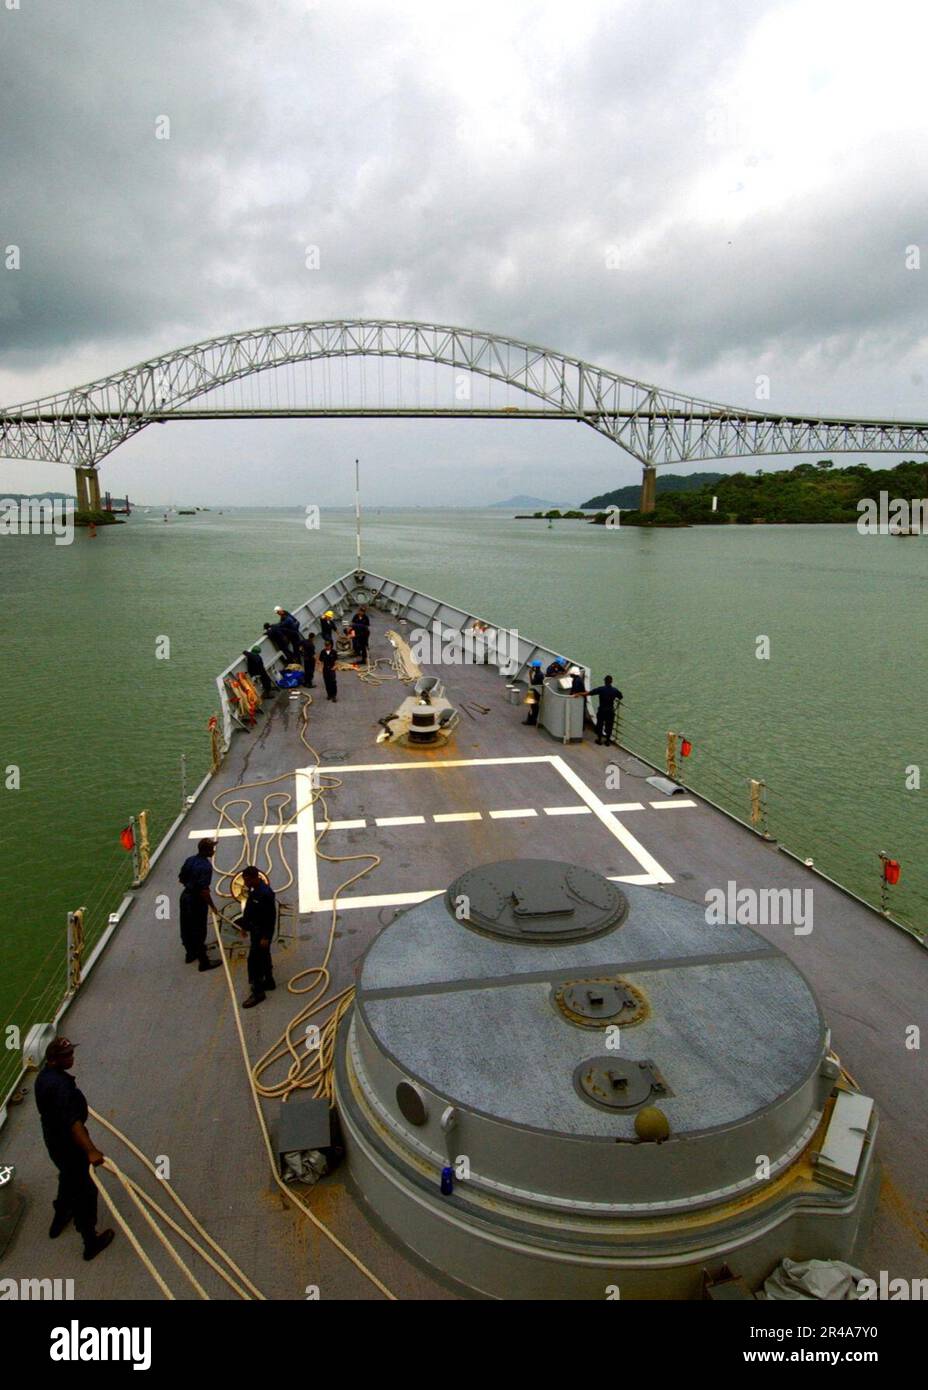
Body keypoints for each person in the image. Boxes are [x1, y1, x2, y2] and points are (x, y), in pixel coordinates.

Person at [34, 1037, 114, 1262]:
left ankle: (60, 1216)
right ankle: (90, 1241)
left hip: (54, 1141)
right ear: (53, 1059)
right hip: (70, 1144)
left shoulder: (44, 1078)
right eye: (66, 1055)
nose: (71, 1057)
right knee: (85, 1191)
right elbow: (73, 1123)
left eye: (71, 1053)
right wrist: (91, 1150)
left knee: (67, 1177)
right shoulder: (60, 1086)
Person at [178, 838, 222, 971]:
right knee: (199, 930)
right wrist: (212, 906)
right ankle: (204, 962)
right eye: (212, 849)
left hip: (185, 897)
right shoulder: (206, 867)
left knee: (186, 926)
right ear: (207, 850)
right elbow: (204, 891)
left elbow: (181, 879)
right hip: (196, 901)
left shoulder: (190, 860)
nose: (214, 850)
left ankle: (190, 954)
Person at [237, 867, 277, 1009]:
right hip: (255, 929)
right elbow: (250, 911)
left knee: (254, 961)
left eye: (247, 880)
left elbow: (270, 917)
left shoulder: (265, 894)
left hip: (261, 932)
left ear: (254, 878)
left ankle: (258, 992)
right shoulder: (254, 891)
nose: (245, 882)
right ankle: (269, 981)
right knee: (264, 956)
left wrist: (266, 937)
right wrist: (244, 926)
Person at [573, 674, 623, 746]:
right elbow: (620, 696)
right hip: (610, 711)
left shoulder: (601, 689)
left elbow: (588, 693)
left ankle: (599, 740)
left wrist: (579, 693)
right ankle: (607, 741)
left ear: (605, 681)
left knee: (600, 724)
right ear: (611, 682)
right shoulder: (615, 690)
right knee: (609, 726)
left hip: (602, 710)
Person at [523, 660, 544, 725]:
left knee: (533, 706)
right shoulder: (540, 673)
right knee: (534, 706)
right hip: (536, 691)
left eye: (533, 667)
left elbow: (532, 683)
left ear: (534, 667)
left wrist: (530, 674)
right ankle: (532, 720)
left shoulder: (538, 675)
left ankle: (531, 721)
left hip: (535, 691)